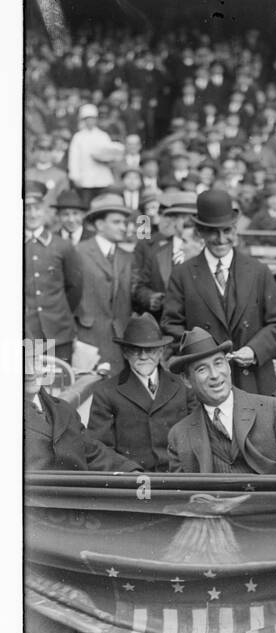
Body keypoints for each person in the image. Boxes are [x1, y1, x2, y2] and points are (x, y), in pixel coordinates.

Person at [161, 189, 276, 397]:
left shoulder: (258, 270)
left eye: (227, 230)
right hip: (207, 382)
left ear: (235, 230)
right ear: (200, 233)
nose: (221, 239)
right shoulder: (182, 274)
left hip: (253, 380)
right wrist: (204, 354)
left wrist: (255, 350)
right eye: (213, 232)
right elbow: (171, 326)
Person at [165, 328, 276, 475]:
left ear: (228, 366)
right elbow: (183, 495)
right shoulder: (179, 436)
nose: (215, 375)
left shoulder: (274, 410)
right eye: (202, 369)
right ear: (186, 380)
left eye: (218, 363)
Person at [86, 313, 193, 472]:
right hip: (133, 481)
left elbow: (198, 438)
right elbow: (99, 448)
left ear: (161, 350)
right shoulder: (106, 392)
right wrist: (129, 471)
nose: (143, 356)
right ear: (125, 352)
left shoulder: (183, 386)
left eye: (150, 350)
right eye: (136, 350)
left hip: (179, 478)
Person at [25, 344, 139, 472]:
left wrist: (131, 471)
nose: (29, 371)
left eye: (33, 361)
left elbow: (91, 452)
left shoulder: (63, 410)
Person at [25, 179, 83, 366]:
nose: (32, 214)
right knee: (29, 389)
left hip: (58, 332)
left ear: (45, 210)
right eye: (27, 208)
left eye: (37, 208)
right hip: (27, 333)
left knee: (58, 389)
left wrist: (58, 312)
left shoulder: (62, 245)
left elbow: (74, 288)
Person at [75, 191, 135, 366]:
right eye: (116, 222)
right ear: (100, 224)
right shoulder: (78, 252)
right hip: (87, 338)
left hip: (120, 339)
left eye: (124, 222)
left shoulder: (128, 256)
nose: (123, 227)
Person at [131, 191, 201, 315]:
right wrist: (150, 297)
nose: (191, 222)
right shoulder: (156, 251)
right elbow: (140, 285)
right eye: (185, 217)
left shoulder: (207, 248)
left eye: (196, 217)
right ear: (173, 220)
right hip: (165, 323)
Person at [66, 104, 123, 200]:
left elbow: (111, 154)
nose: (90, 121)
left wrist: (108, 158)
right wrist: (75, 176)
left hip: (102, 178)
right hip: (85, 180)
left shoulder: (103, 136)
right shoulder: (78, 137)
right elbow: (73, 159)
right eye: (87, 119)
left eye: (92, 118)